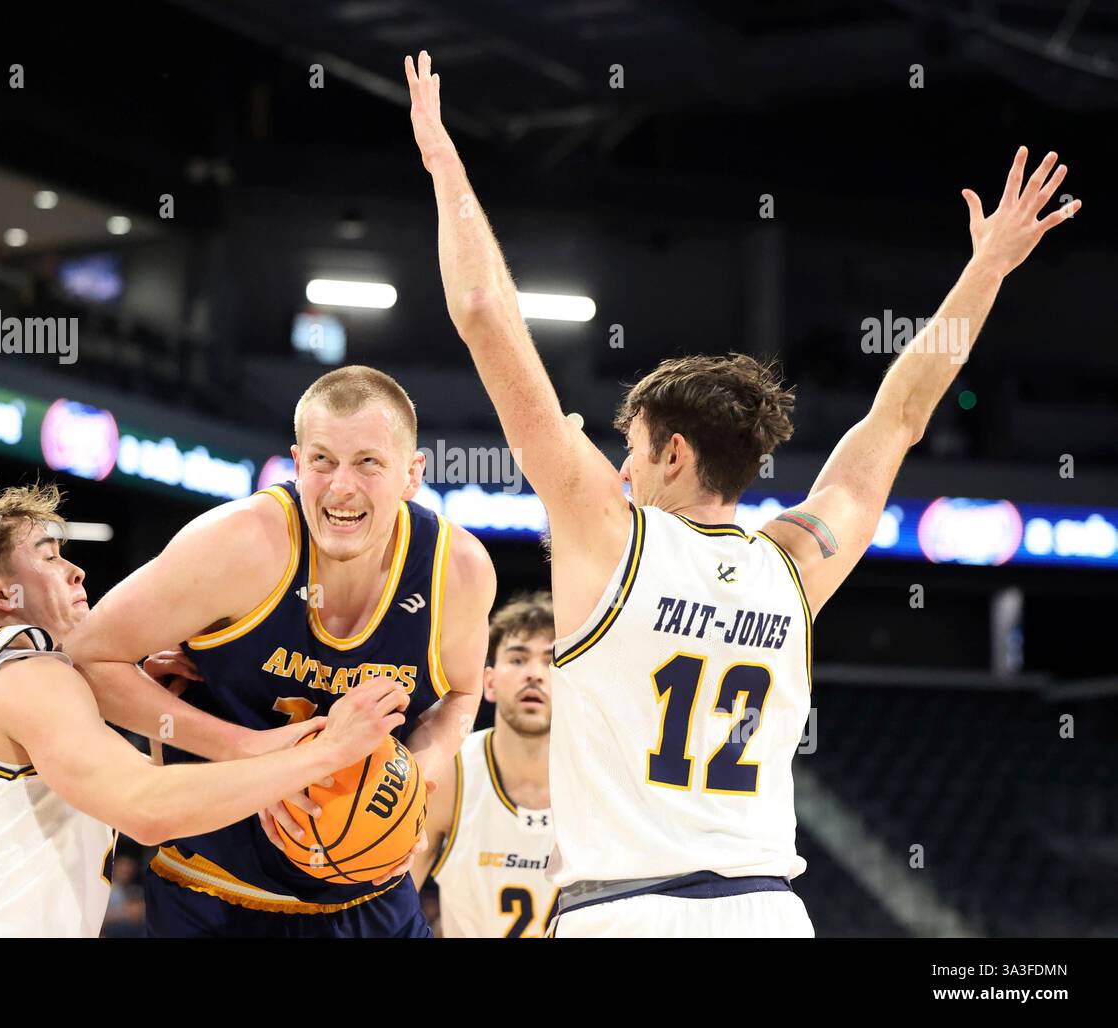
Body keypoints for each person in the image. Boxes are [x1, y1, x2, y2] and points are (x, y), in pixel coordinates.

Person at [405, 49, 1080, 937]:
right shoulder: (793, 566)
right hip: (768, 912)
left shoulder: (609, 536)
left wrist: (445, 164)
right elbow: (900, 417)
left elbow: (486, 312)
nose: (620, 470)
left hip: (627, 915)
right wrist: (987, 267)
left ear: (675, 453)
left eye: (631, 451)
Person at [65, 366, 496, 937]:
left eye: (368, 462)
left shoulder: (456, 571)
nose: (342, 486)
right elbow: (87, 658)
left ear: (412, 474)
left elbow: (462, 692)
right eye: (323, 461)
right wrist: (248, 751)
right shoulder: (240, 545)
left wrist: (414, 780)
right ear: (296, 463)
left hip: (369, 900)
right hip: (216, 892)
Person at [0, 484, 406, 937]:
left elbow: (171, 800)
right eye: (50, 557)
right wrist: (328, 754)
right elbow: (147, 809)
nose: (76, 570)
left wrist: (165, 727)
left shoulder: (14, 683)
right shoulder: (28, 676)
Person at [414, 592, 557, 938]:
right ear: (488, 682)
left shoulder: (598, 780)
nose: (535, 674)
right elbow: (392, 901)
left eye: (552, 660)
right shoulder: (450, 775)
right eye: (518, 659)